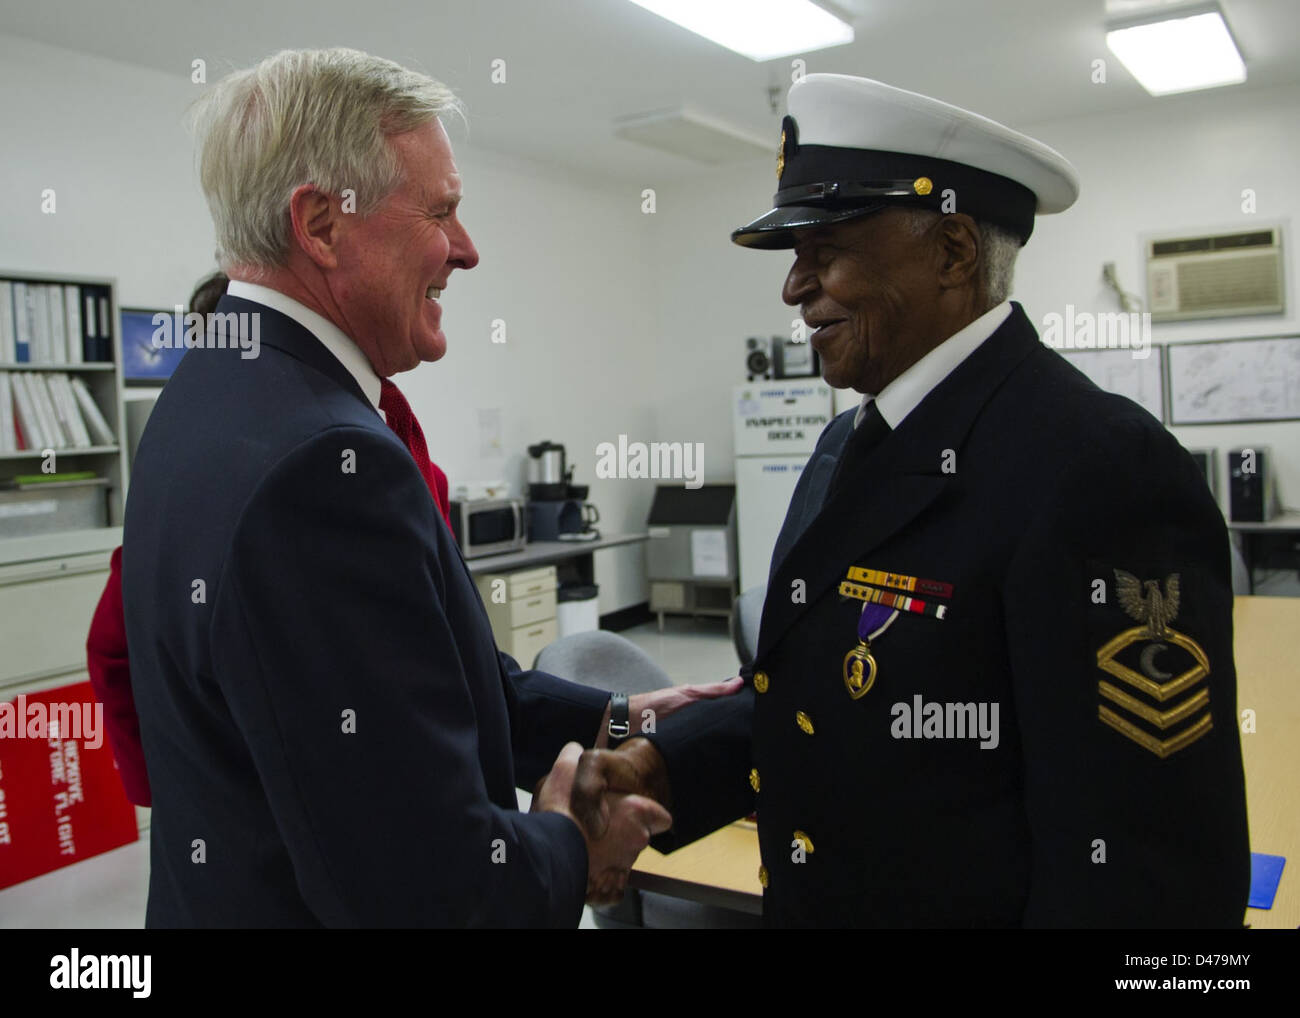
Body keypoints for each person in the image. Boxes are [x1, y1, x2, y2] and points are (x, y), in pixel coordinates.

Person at [576, 74, 1251, 928]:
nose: (793, 286)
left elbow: (1154, 867)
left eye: (828, 248)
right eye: (794, 254)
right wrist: (657, 768)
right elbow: (819, 698)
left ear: (954, 251)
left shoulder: (1099, 466)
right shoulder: (844, 445)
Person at [121, 48, 737, 927]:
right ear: (322, 225)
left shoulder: (206, 393)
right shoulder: (321, 468)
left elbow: (412, 698)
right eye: (442, 212)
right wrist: (572, 842)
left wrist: (617, 717)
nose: (467, 249)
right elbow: (426, 890)